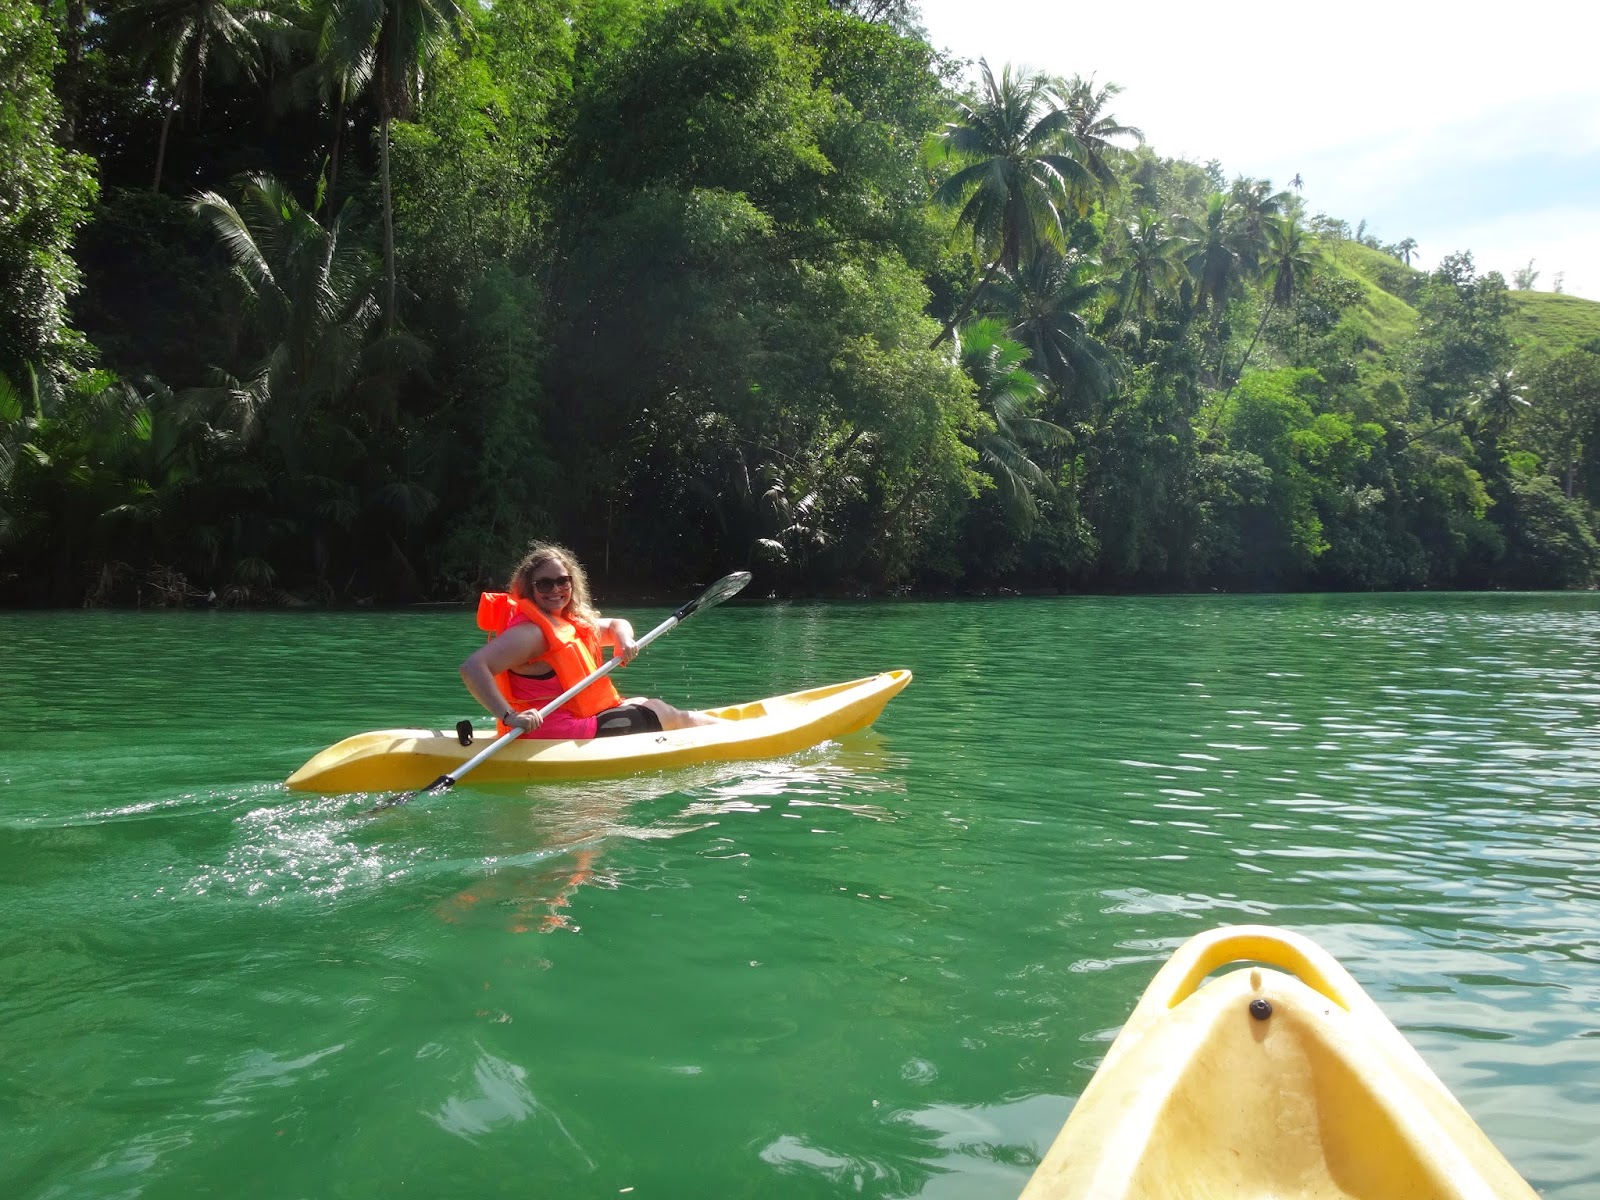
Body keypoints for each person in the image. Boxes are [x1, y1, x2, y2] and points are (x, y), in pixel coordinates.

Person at [460, 542, 722, 739]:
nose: (556, 589)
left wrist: (623, 639)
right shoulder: (531, 633)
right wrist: (510, 716)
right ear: (530, 589)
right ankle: (729, 734)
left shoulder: (562, 622)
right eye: (545, 584)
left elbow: (616, 624)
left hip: (572, 720)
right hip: (549, 732)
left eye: (563, 581)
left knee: (643, 703)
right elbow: (472, 667)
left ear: (572, 583)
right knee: (663, 712)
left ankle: (721, 728)